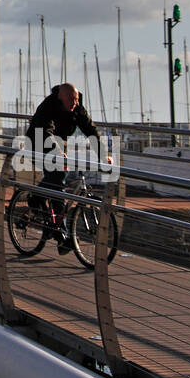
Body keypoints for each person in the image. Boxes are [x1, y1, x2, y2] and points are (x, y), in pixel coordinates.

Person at [25, 83, 111, 253]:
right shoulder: (48, 105)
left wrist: (104, 155)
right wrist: (56, 150)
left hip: (59, 144)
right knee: (57, 179)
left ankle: (58, 230)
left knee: (57, 181)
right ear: (60, 97)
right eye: (71, 99)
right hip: (38, 141)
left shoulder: (77, 108)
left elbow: (90, 129)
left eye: (76, 99)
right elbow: (45, 129)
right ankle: (58, 229)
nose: (74, 103)